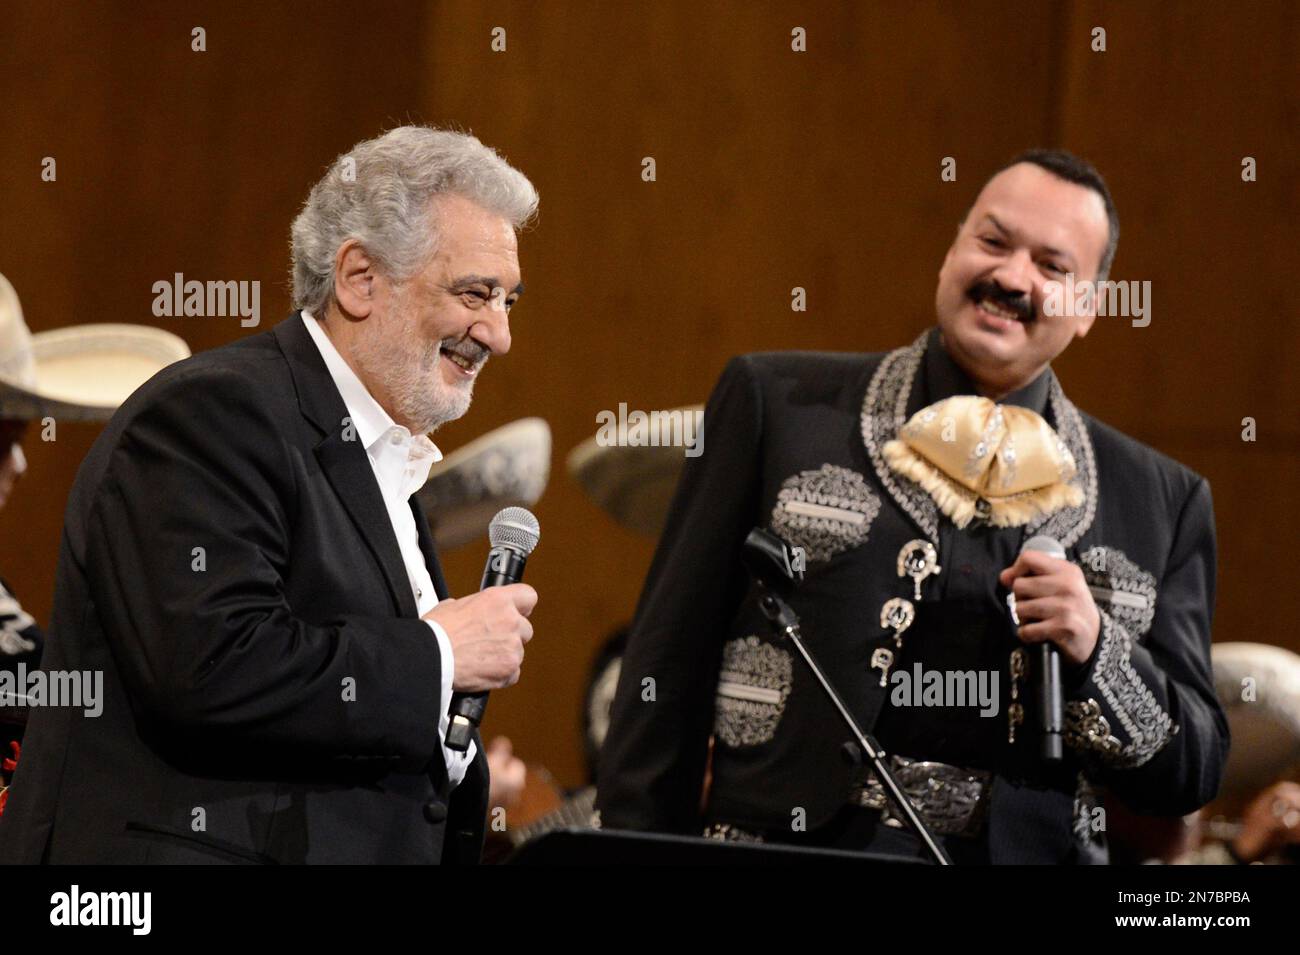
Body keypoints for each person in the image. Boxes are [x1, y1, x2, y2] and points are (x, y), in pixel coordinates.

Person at [596, 149, 1228, 864]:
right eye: (991, 242)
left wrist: (1097, 649)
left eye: (1052, 267)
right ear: (951, 251)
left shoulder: (1163, 498)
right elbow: (663, 669)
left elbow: (1195, 767)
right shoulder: (774, 403)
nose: (1011, 277)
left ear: (1087, 309)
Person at [0, 126, 539, 864]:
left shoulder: (380, 454)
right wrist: (440, 651)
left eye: (509, 299)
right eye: (475, 293)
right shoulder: (211, 413)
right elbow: (208, 667)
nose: (500, 334)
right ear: (359, 279)